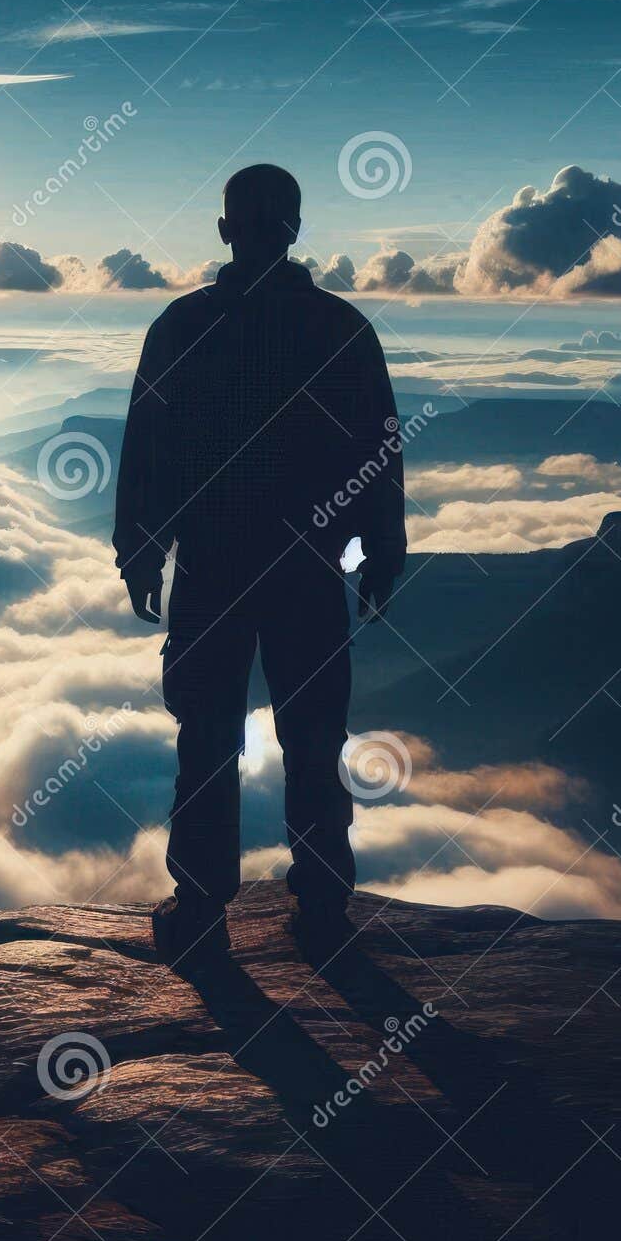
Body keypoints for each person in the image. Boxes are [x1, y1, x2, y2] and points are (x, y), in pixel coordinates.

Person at [113, 164, 406, 966]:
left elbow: (145, 448)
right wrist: (383, 548)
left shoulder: (182, 326)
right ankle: (321, 905)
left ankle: (201, 908)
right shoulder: (341, 328)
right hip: (308, 570)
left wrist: (140, 549)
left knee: (208, 738)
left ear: (225, 230)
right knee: (312, 738)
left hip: (211, 569)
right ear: (296, 229)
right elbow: (380, 450)